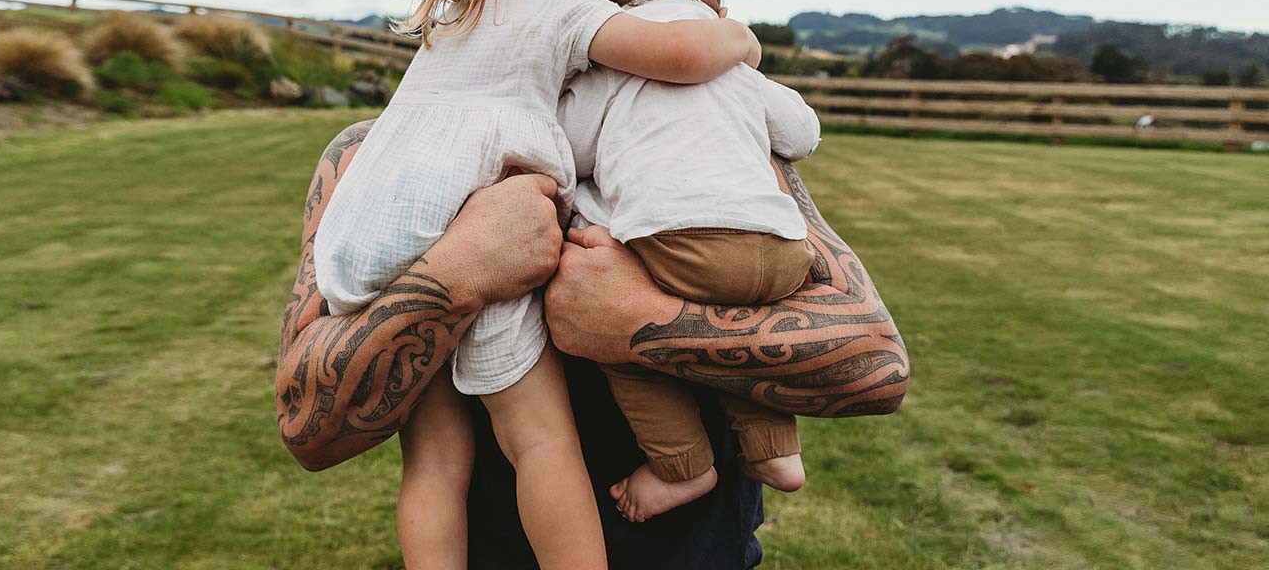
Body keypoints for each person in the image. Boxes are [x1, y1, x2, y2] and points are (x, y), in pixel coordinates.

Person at [308, 0, 761, 570]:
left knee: (434, 465)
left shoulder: (456, 19)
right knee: (541, 443)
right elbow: (678, 55)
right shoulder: (557, 6)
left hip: (372, 242)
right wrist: (735, 40)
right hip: (469, 235)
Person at [277, 121, 910, 568]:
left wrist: (643, 319)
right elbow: (307, 427)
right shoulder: (372, 156)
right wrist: (457, 273)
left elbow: (875, 364)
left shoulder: (711, 136)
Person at [558, 0, 822, 522]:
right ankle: (776, 450)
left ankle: (682, 466)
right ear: (720, 15)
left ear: (615, 14)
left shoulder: (614, 67)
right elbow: (802, 134)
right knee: (744, 328)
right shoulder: (739, 71)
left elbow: (568, 150)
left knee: (617, 337)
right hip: (781, 249)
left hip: (682, 241)